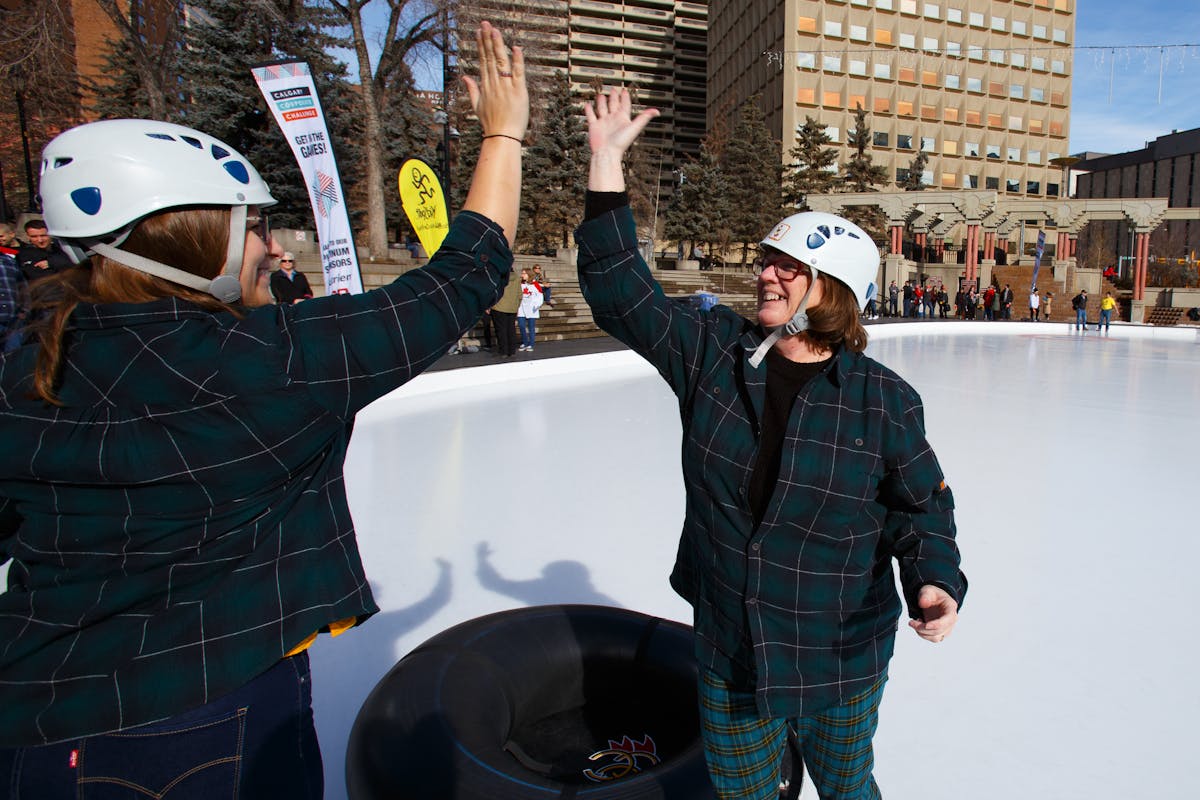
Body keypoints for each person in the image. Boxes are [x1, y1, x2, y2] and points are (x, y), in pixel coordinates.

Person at [0, 21, 527, 797]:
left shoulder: (27, 365)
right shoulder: (261, 363)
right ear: (194, 242)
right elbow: (461, 277)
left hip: (35, 728)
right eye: (250, 226)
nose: (270, 247)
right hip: (197, 729)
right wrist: (504, 134)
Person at [577, 88, 966, 800]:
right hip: (732, 645)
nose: (766, 273)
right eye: (767, 260)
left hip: (839, 654)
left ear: (834, 291)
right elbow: (619, 295)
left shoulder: (882, 400)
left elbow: (923, 510)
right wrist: (606, 163)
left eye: (788, 267)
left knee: (846, 788)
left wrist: (934, 581)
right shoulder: (711, 354)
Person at [15, 218, 72, 284]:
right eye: (34, 236)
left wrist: (52, 262)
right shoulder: (21, 252)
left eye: (43, 235)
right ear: (28, 236)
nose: (40, 240)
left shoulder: (62, 248)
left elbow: (76, 265)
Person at [0, 223, 23, 351]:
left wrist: (24, 310)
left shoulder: (10, 259)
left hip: (13, 318)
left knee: (14, 358)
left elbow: (22, 285)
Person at [491, 268, 521, 357]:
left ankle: (503, 351)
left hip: (499, 307)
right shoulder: (517, 278)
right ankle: (511, 350)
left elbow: (494, 291)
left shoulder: (498, 277)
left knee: (501, 330)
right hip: (513, 307)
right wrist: (517, 305)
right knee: (511, 329)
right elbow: (520, 294)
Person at [517, 267, 543, 351]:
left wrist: (536, 305)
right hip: (521, 308)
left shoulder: (535, 284)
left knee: (531, 327)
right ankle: (525, 342)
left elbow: (540, 296)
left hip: (532, 309)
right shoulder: (520, 284)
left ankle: (531, 344)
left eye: (524, 273)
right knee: (521, 326)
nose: (522, 275)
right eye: (522, 273)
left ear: (528, 274)